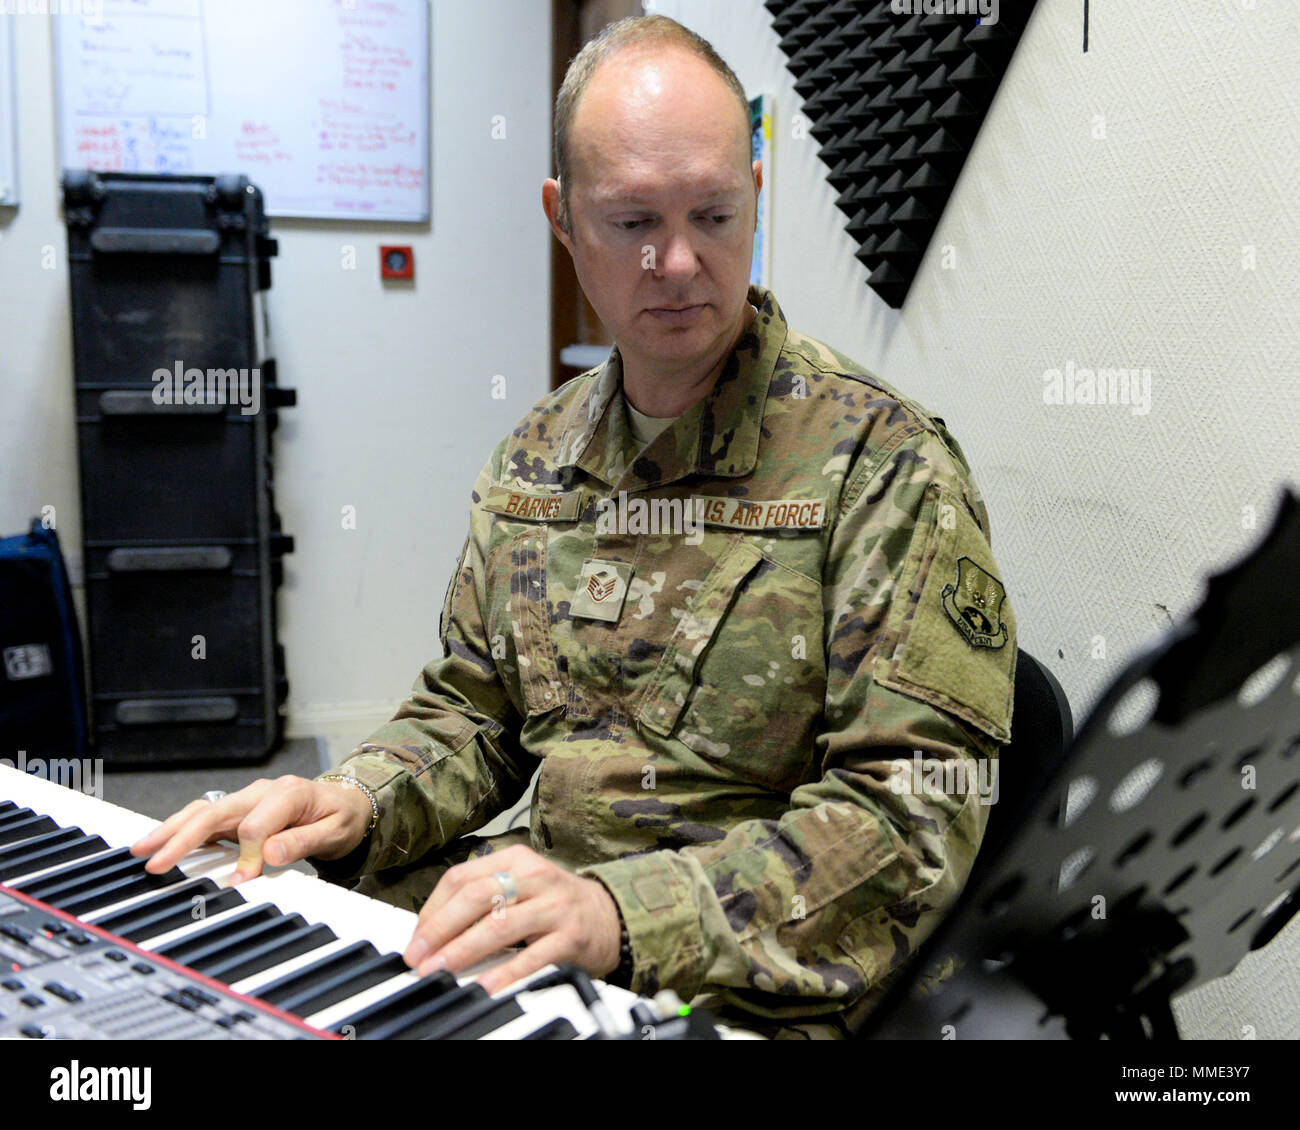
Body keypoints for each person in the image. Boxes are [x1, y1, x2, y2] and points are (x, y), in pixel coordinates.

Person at [132, 14, 1017, 1040]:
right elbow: (474, 711)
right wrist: (357, 799)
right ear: (562, 220)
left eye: (714, 215)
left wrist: (616, 913)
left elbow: (910, 819)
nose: (679, 262)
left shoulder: (884, 463)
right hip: (537, 931)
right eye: (633, 221)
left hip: (747, 983)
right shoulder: (532, 460)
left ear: (757, 197)